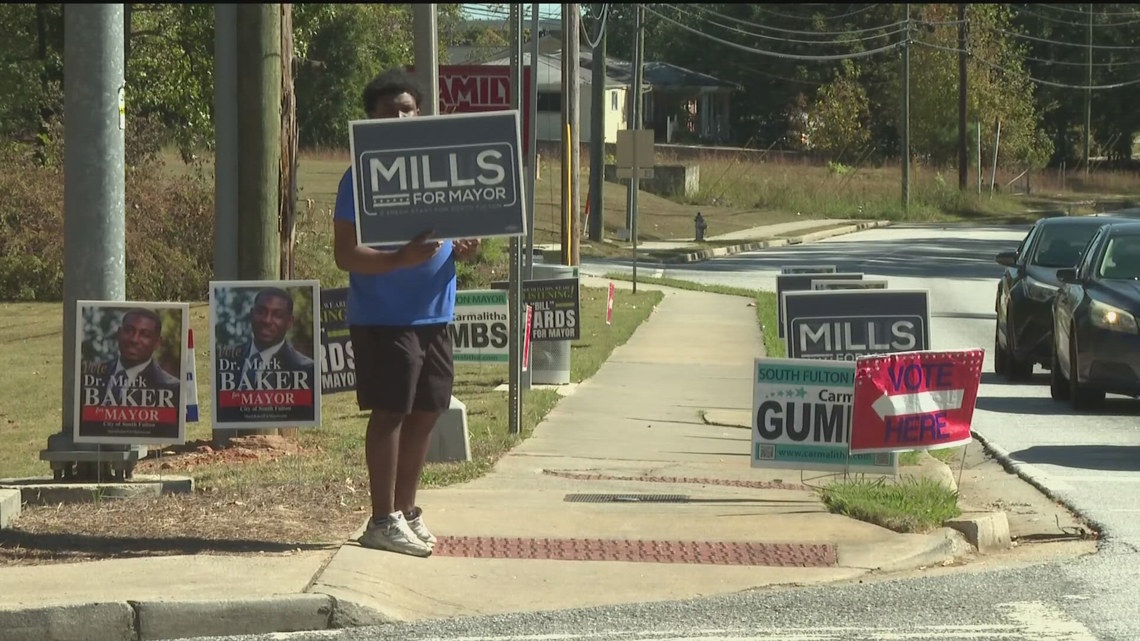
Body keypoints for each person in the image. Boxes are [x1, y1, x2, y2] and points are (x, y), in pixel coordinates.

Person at [332, 68, 481, 557]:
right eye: (389, 111)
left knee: (426, 411)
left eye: (408, 110)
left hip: (435, 314)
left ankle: (405, 511)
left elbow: (456, 241)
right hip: (384, 317)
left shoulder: (441, 172)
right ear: (370, 119)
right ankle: (380, 521)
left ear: (420, 115)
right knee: (391, 412)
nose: (400, 119)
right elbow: (346, 254)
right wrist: (400, 258)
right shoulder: (359, 177)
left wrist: (466, 247)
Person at [214, 288, 317, 419]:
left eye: (277, 315)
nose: (267, 320)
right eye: (261, 312)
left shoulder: (305, 369)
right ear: (252, 314)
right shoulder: (225, 361)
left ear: (290, 322)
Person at [92, 308, 181, 400]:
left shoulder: (171, 388)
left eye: (145, 334)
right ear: (119, 333)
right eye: (129, 331)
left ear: (157, 342)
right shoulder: (92, 374)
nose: (134, 339)